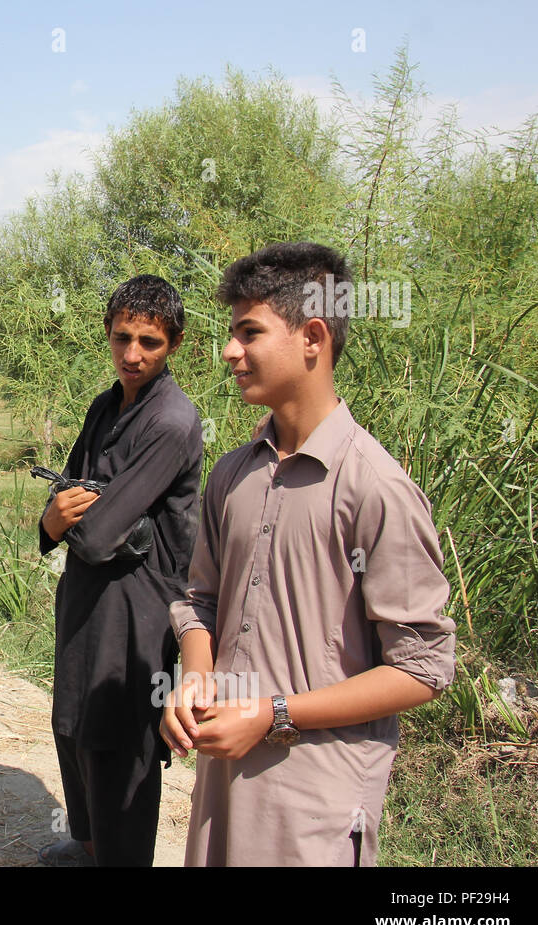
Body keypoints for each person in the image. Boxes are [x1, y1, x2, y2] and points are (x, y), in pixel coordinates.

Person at [161, 242, 456, 866]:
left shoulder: (375, 487)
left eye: (249, 332)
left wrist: (273, 713)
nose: (229, 352)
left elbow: (421, 669)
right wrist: (193, 676)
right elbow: (199, 600)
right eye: (231, 332)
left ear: (313, 336)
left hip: (314, 807)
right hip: (222, 791)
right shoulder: (234, 475)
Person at [36, 275, 202, 867]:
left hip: (137, 609)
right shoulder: (105, 406)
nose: (133, 354)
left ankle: (121, 858)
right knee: (74, 723)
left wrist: (68, 520)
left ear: (174, 345)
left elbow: (101, 534)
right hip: (86, 597)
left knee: (119, 742)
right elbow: (67, 497)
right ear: (108, 335)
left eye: (149, 343)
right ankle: (87, 845)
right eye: (122, 337)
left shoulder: (172, 423)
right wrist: (64, 516)